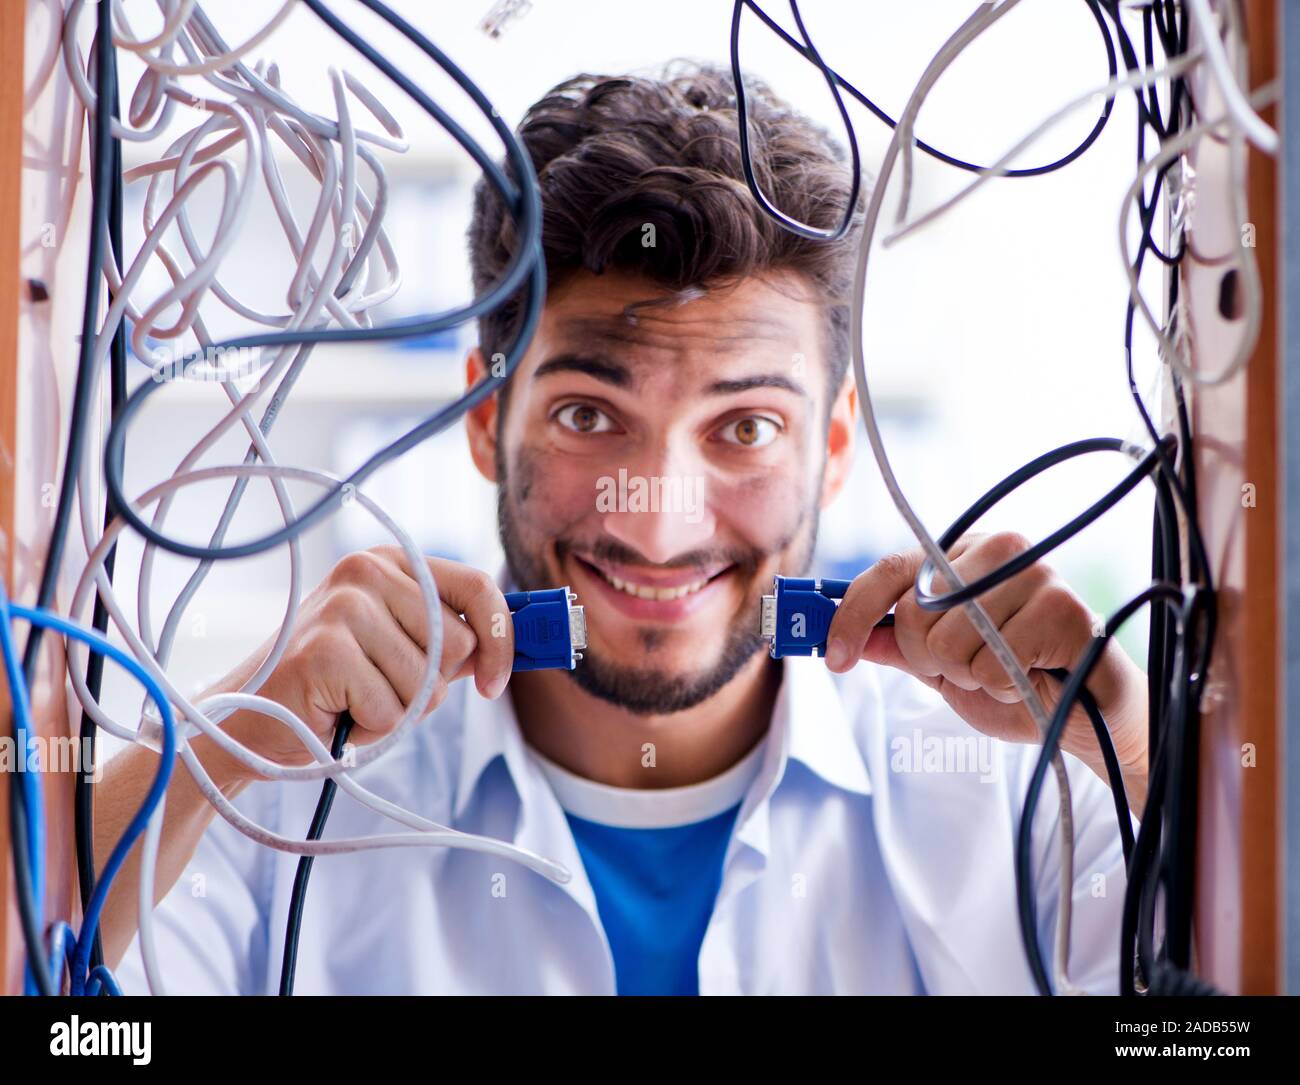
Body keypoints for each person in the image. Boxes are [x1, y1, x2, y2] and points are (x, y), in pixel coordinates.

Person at [104, 61, 1148, 995]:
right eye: (588, 415)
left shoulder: (1019, 805)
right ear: (483, 420)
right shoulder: (269, 805)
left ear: (831, 449)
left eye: (744, 426)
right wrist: (217, 741)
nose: (659, 520)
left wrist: (1144, 755)